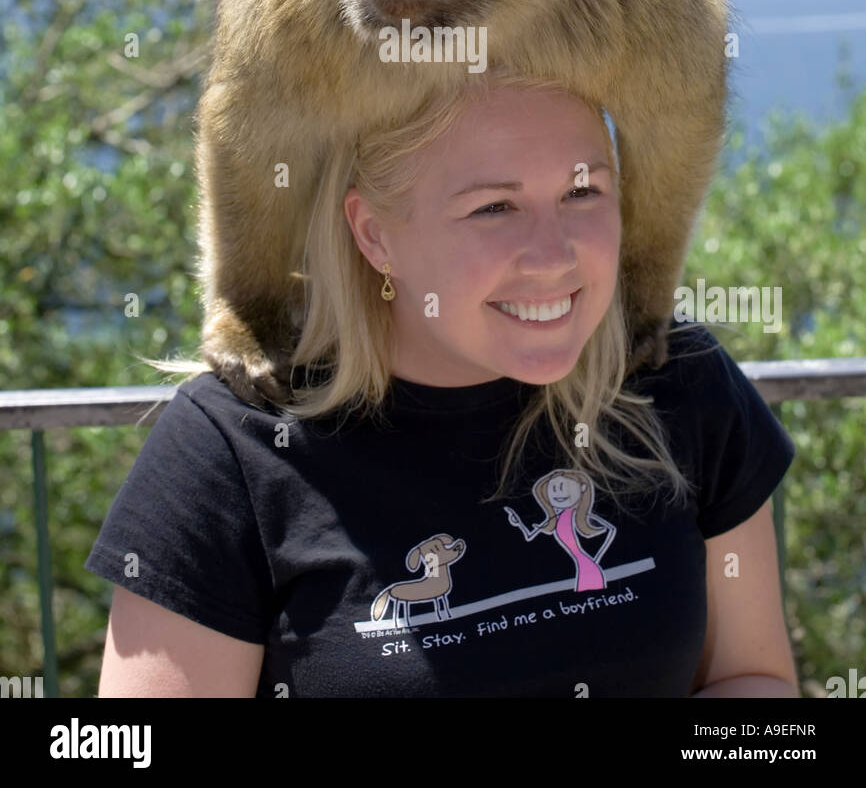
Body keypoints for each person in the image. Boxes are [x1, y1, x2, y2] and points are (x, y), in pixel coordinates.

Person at [85, 68, 798, 698]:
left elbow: (752, 680)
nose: (554, 256)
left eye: (583, 190)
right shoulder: (233, 447)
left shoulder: (674, 382)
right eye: (495, 207)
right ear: (374, 234)